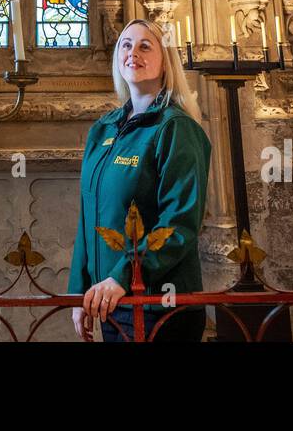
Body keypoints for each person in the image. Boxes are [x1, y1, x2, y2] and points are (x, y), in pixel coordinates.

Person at [68, 19, 213, 342]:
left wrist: (123, 276)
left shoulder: (176, 129)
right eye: (126, 45)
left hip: (157, 305)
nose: (133, 52)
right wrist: (79, 291)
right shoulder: (103, 129)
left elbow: (180, 224)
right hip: (110, 300)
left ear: (166, 62)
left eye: (145, 46)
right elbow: (87, 215)